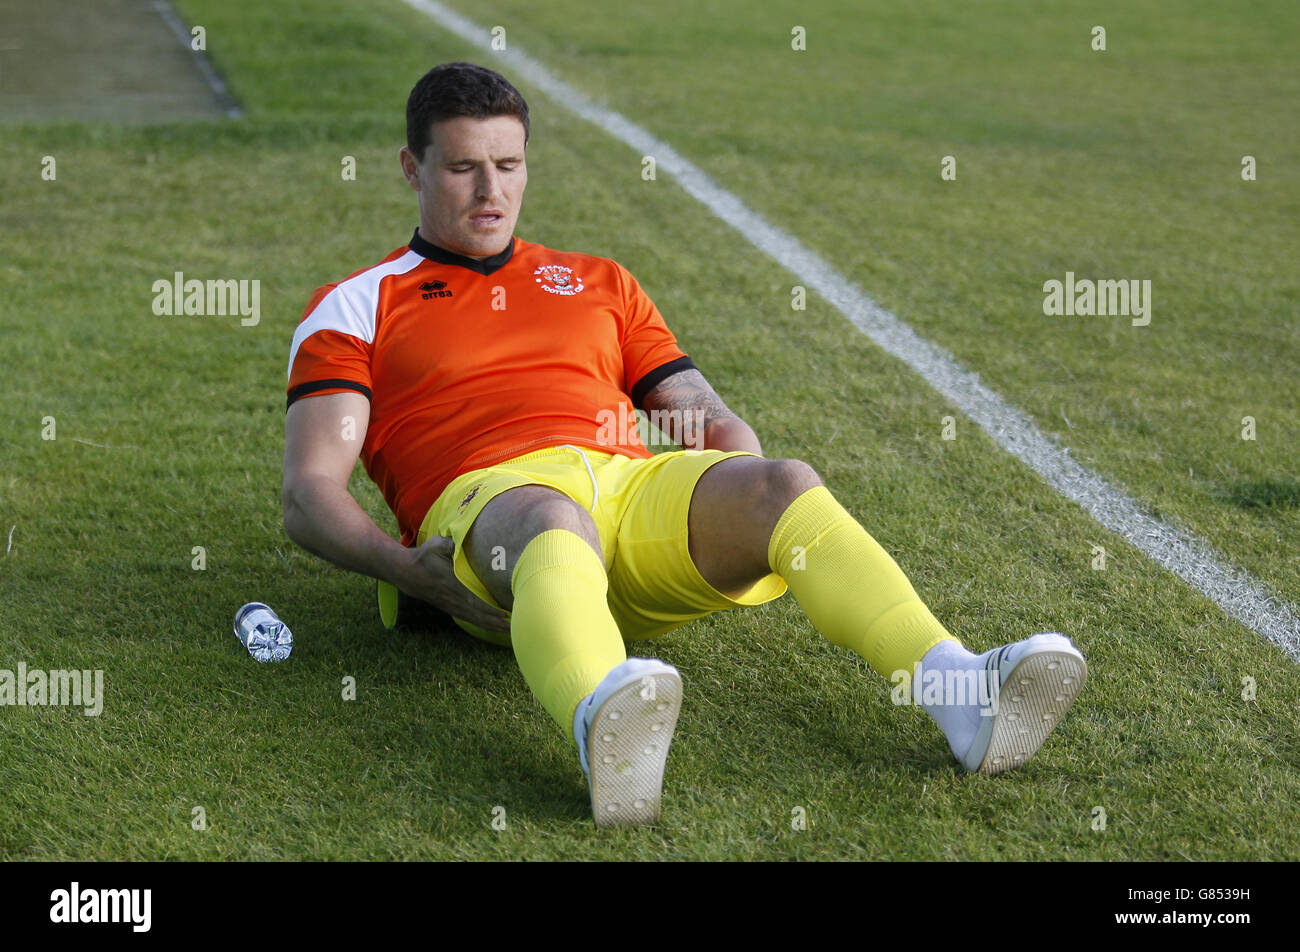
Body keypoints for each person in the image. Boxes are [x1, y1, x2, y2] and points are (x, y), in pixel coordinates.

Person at [281, 62, 1087, 828]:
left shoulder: (599, 281)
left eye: (509, 164)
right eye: (463, 168)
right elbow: (310, 492)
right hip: (492, 506)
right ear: (411, 168)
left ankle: (960, 696)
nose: (493, 190)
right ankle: (604, 716)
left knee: (781, 482)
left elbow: (705, 418)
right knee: (552, 520)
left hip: (630, 493)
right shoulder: (358, 305)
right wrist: (404, 573)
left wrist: (737, 491)